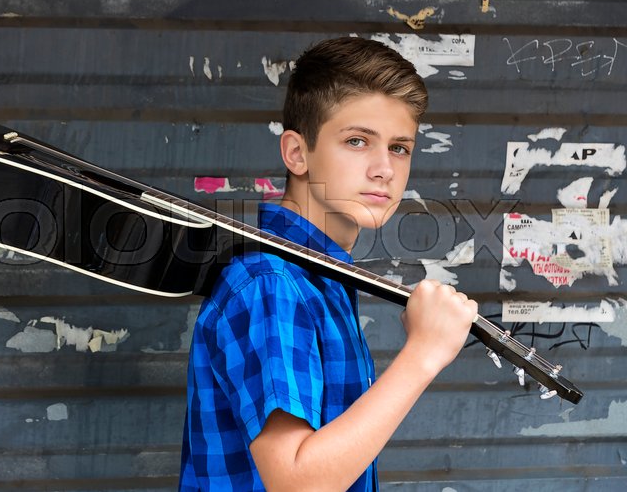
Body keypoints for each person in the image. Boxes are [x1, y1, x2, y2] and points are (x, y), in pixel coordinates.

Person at [179, 36, 478, 491]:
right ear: (297, 153)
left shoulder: (322, 278)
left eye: (400, 147)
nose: (384, 169)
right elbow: (299, 483)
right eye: (358, 141)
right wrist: (424, 353)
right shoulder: (271, 283)